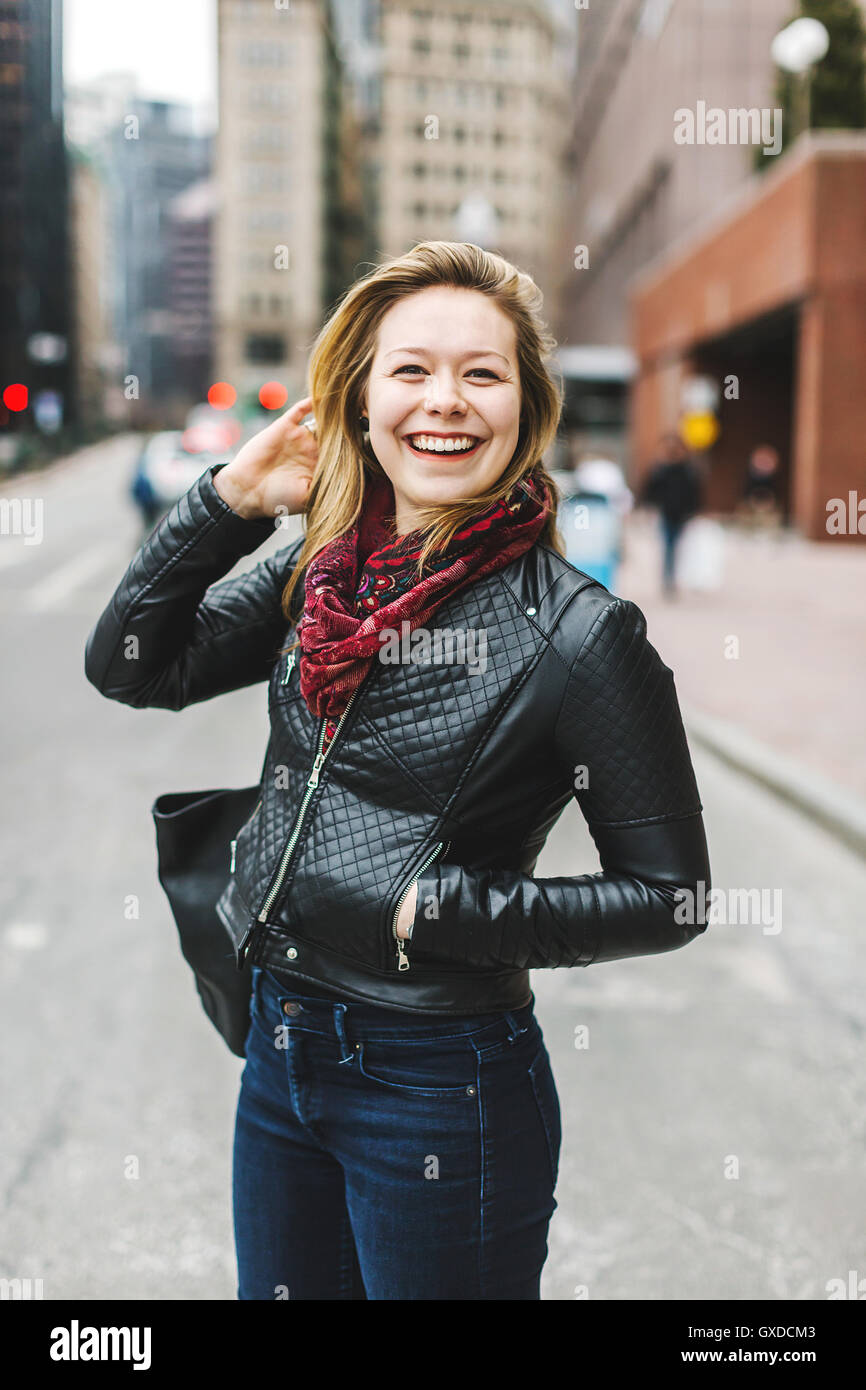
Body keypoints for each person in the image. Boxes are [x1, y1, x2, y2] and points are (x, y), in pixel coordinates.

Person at [84, 240, 711, 1301]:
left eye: (482, 372)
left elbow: (671, 894)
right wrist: (231, 498)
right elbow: (135, 665)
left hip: (437, 1080)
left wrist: (437, 911)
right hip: (278, 1044)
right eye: (410, 369)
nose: (445, 401)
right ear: (361, 400)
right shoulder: (315, 569)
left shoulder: (578, 636)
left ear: (526, 406)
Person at [640, 433, 704, 595]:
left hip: (682, 514)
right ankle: (669, 578)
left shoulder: (687, 470)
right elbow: (650, 491)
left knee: (678, 546)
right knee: (669, 546)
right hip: (666, 513)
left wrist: (694, 510)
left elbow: (694, 492)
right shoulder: (661, 469)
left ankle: (673, 577)